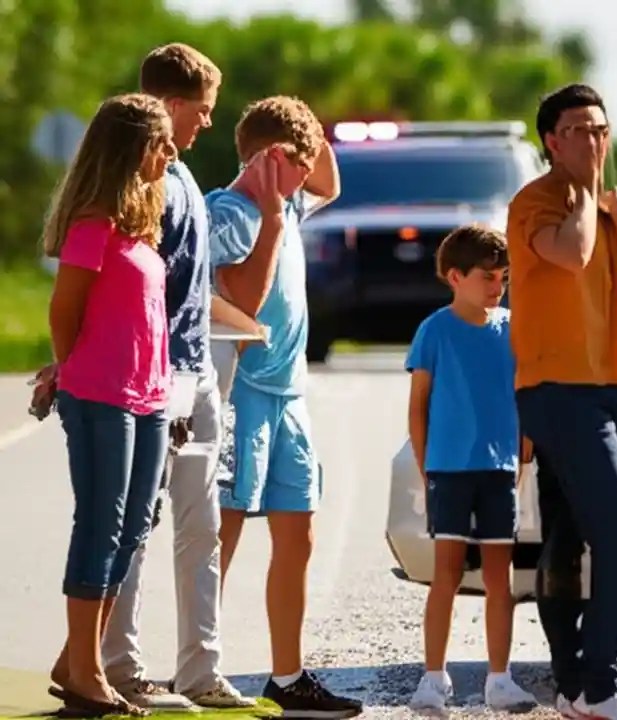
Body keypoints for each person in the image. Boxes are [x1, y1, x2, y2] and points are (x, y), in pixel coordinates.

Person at [91, 42, 257, 712]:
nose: (208, 123)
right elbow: (128, 289)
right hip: (156, 377)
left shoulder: (183, 176)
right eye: (205, 110)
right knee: (134, 525)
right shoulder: (139, 180)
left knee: (201, 523)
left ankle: (200, 671)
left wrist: (241, 323)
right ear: (175, 104)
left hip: (198, 369)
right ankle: (120, 667)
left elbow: (190, 284)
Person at [505, 83, 617, 720]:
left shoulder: (606, 204)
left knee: (582, 535)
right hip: (558, 390)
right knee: (615, 538)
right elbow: (571, 254)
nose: (594, 141)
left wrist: (611, 204)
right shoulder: (535, 203)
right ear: (551, 139)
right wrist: (586, 197)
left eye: (601, 129)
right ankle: (600, 688)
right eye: (579, 130)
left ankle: (572, 687)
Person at [205, 95, 362, 718]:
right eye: (295, 159)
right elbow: (241, 299)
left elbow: (328, 178)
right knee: (226, 531)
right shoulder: (232, 212)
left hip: (289, 396)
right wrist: (271, 212)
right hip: (243, 395)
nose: (308, 175)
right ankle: (201, 667)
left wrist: (307, 131)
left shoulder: (289, 198)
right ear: (273, 159)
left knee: (297, 533)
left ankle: (287, 677)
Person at [42, 93, 178, 718]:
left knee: (133, 528)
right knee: (100, 525)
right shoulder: (93, 222)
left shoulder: (140, 226)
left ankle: (78, 661)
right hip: (99, 395)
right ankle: (87, 673)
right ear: (131, 147)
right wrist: (69, 373)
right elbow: (64, 311)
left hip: (148, 396)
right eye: (161, 143)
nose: (171, 153)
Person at [404, 225, 539, 713]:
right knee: (447, 573)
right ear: (455, 276)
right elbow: (418, 404)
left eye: (503, 277)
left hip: (499, 472)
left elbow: (522, 393)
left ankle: (499, 679)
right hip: (449, 470)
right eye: (487, 276)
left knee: (500, 579)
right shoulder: (435, 330)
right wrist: (425, 466)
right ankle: (433, 678)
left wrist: (523, 450)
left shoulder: (512, 329)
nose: (496, 286)